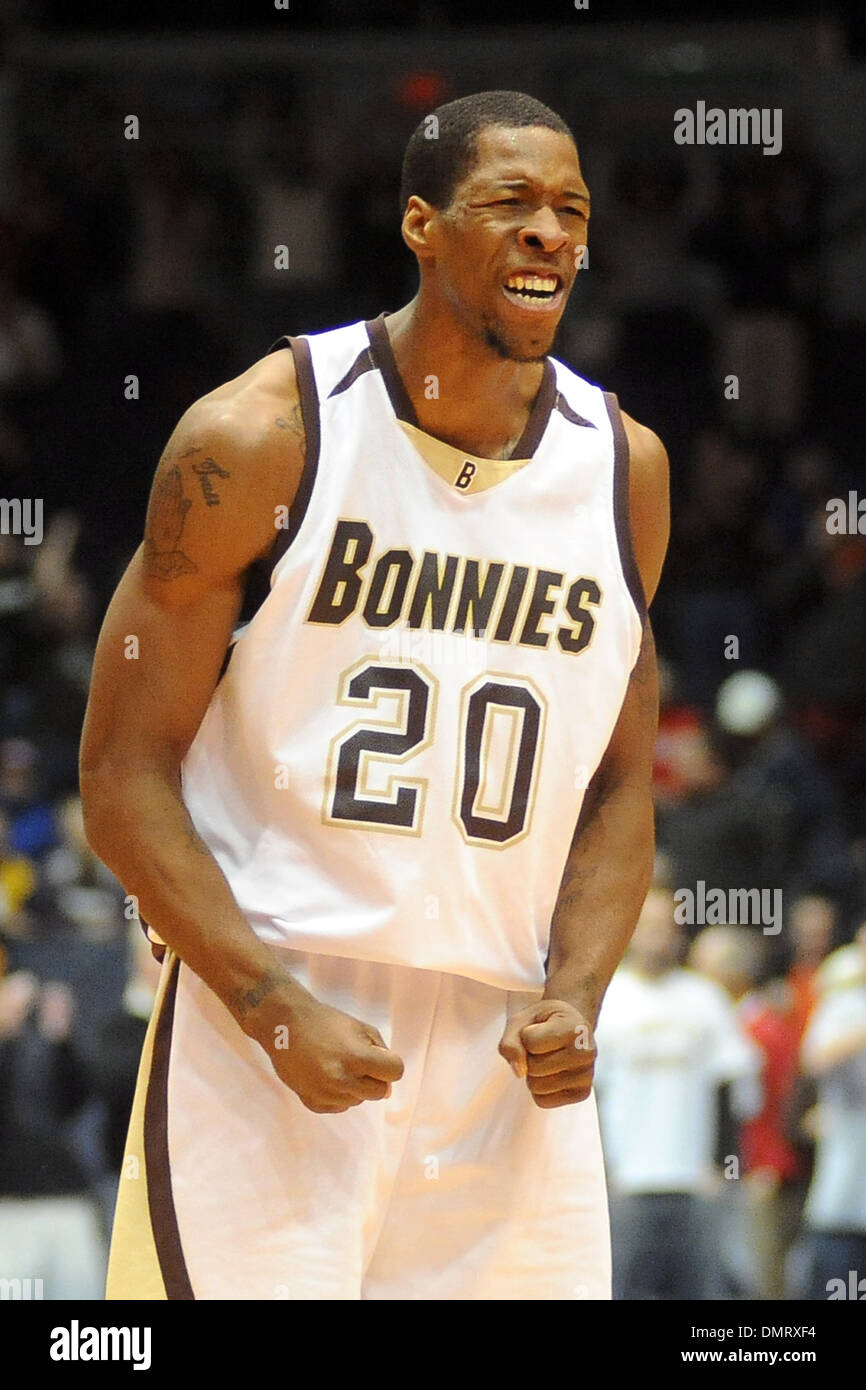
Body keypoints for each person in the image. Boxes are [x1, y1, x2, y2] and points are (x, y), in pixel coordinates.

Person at [79, 90, 669, 1301]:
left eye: (569, 212)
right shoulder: (259, 437)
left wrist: (576, 995)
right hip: (273, 1021)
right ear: (418, 223)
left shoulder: (624, 468)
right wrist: (263, 1001)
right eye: (509, 204)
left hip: (510, 1055)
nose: (547, 234)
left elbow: (614, 785)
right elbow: (120, 772)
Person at [594, 891, 761, 1300]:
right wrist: (600, 1169)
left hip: (693, 1180)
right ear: (630, 930)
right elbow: (590, 1093)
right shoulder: (606, 999)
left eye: (666, 927)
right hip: (627, 1181)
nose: (658, 936)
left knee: (702, 1290)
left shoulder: (704, 999)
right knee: (621, 1289)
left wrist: (723, 1163)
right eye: (648, 926)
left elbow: (730, 1084)